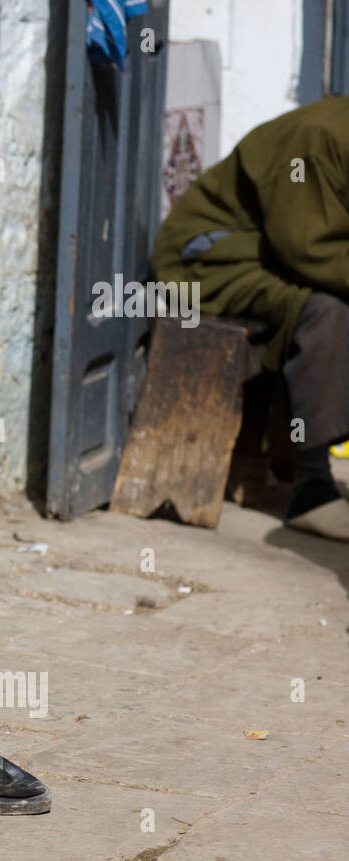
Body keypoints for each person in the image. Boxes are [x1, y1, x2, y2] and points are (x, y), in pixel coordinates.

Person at [151, 96, 349, 540]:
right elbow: (307, 251)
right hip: (204, 259)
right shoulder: (320, 142)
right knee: (326, 309)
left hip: (263, 252)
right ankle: (312, 489)